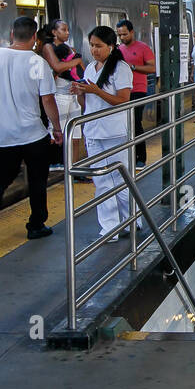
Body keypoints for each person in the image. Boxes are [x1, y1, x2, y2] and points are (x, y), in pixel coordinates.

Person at [0, 16, 62, 245]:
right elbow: (48, 99)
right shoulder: (37, 62)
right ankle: (36, 225)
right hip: (34, 135)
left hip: (3, 137)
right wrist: (56, 128)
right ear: (34, 38)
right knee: (37, 181)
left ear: (12, 34)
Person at [70, 27, 134, 243]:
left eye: (98, 46)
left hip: (114, 131)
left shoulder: (121, 68)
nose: (94, 50)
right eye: (92, 45)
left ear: (111, 46)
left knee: (119, 177)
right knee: (102, 179)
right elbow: (86, 104)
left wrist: (96, 91)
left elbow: (123, 100)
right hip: (93, 130)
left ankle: (131, 219)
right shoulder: (89, 68)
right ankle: (110, 227)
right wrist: (80, 93)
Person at [38, 20, 85, 175]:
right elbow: (56, 66)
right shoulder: (47, 47)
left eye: (67, 30)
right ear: (54, 32)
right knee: (56, 130)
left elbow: (77, 68)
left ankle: (75, 167)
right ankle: (53, 161)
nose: (67, 32)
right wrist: (76, 61)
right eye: (63, 30)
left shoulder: (69, 48)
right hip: (58, 93)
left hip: (73, 92)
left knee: (75, 133)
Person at [115, 20, 155, 170]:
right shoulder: (119, 49)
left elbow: (152, 68)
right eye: (120, 35)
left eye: (125, 34)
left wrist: (133, 67)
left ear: (132, 32)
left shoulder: (143, 48)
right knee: (125, 124)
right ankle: (128, 155)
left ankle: (141, 157)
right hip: (123, 90)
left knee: (135, 122)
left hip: (138, 89)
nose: (122, 37)